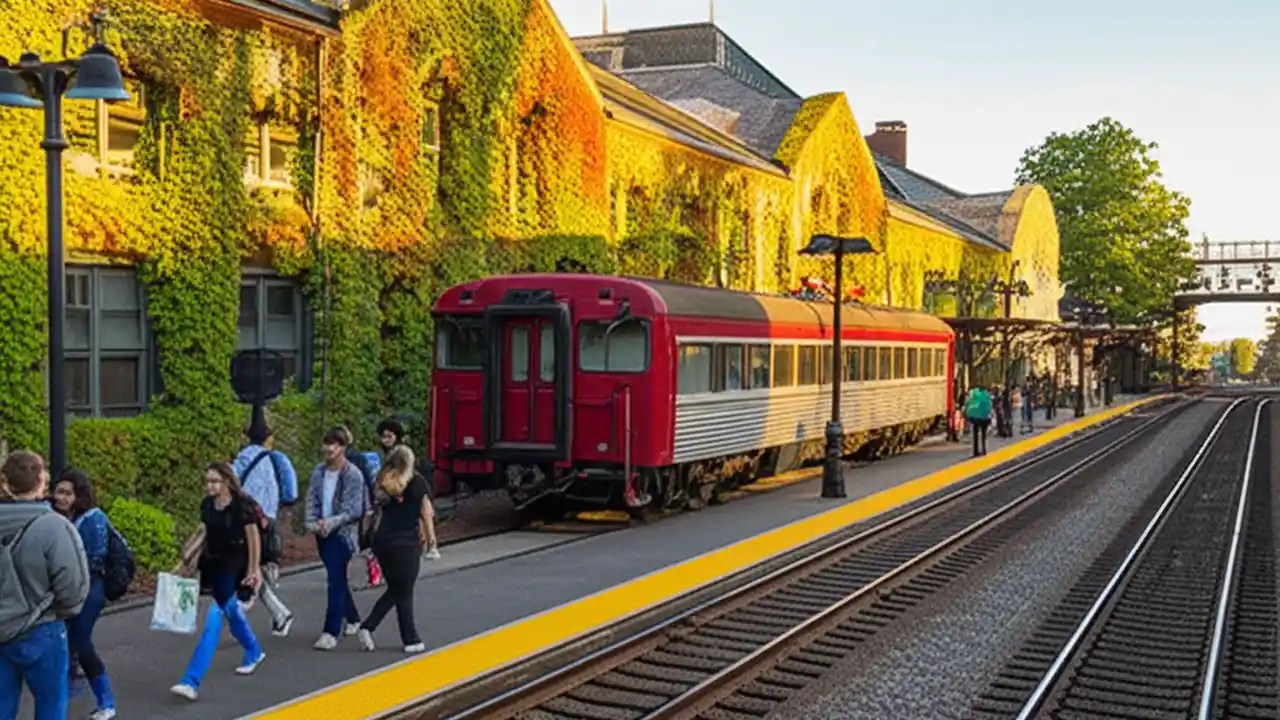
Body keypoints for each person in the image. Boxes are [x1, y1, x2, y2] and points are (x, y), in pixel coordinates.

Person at [0, 451, 90, 720]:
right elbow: (73, 588)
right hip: (42, 627)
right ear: (42, 481)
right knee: (51, 705)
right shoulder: (54, 527)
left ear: (5, 483)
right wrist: (58, 610)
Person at [169, 462, 266, 701]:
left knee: (214, 617)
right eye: (207, 481)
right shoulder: (208, 506)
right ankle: (253, 650)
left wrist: (254, 569)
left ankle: (190, 681)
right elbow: (202, 533)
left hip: (236, 564)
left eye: (214, 481)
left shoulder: (242, 506)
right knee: (231, 611)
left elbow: (253, 539)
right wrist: (184, 562)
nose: (209, 486)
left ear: (227, 482)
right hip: (214, 563)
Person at [51, 469, 117, 720]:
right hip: (65, 588)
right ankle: (68, 691)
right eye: (59, 492)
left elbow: (96, 557)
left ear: (79, 495)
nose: (62, 498)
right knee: (64, 641)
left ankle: (106, 701)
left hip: (90, 588)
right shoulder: (54, 516)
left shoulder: (92, 518)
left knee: (80, 641)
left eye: (68, 493)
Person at [357, 446, 431, 654]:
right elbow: (426, 512)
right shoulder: (417, 482)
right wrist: (431, 540)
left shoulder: (381, 479)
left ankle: (369, 627)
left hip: (382, 541)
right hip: (406, 542)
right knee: (405, 590)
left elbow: (373, 511)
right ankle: (410, 639)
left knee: (396, 589)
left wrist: (366, 541)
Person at [232, 416, 298, 637]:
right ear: (268, 438)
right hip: (268, 519)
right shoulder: (277, 459)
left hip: (247, 519)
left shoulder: (242, 458)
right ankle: (278, 613)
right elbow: (291, 489)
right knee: (252, 566)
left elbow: (231, 482)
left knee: (246, 566)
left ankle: (242, 607)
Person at [306, 427, 367, 651]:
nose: (329, 449)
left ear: (343, 447)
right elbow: (312, 498)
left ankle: (330, 631)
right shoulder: (319, 472)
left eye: (335, 444)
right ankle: (353, 618)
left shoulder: (353, 474)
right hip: (322, 532)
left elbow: (353, 509)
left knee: (335, 580)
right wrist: (312, 522)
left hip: (342, 535)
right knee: (338, 577)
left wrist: (330, 523)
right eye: (327, 443)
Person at [376, 418, 440, 560]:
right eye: (383, 436)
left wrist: (400, 485)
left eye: (389, 436)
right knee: (420, 513)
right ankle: (425, 544)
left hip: (413, 484)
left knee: (424, 513)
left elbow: (407, 469)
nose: (385, 440)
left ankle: (431, 543)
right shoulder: (387, 453)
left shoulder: (402, 451)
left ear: (396, 436)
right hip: (405, 484)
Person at [963, 386, 992, 457]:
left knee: (975, 434)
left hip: (975, 418)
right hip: (984, 418)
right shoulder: (986, 396)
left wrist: (967, 415)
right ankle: (984, 450)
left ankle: (975, 452)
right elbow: (989, 407)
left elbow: (967, 405)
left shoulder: (973, 396)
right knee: (984, 435)